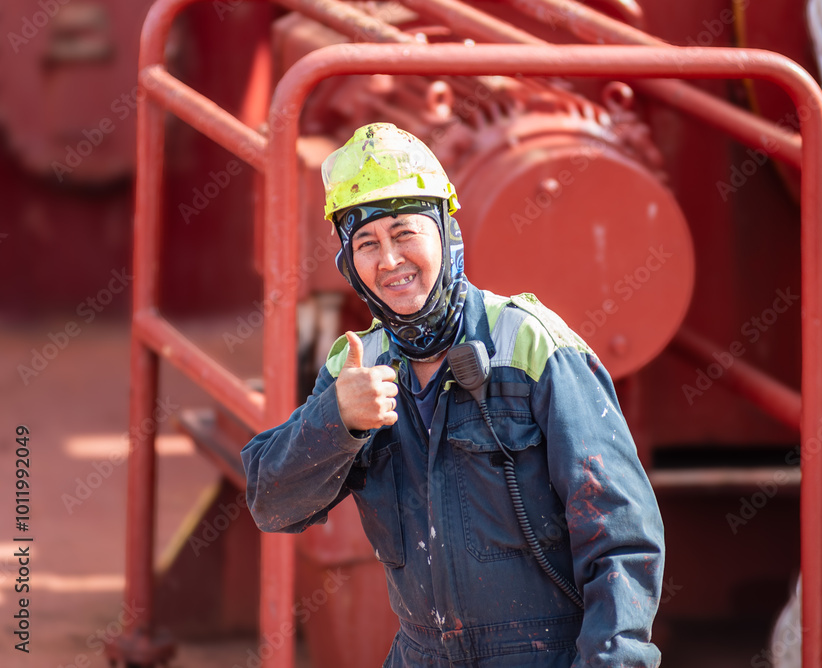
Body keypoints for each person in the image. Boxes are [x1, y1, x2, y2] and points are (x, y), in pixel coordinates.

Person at [241, 122, 665, 667]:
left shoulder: (529, 344)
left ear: (445, 230)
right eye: (366, 243)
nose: (389, 259)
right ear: (349, 262)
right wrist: (337, 420)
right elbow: (271, 503)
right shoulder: (359, 365)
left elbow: (621, 535)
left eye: (405, 232)